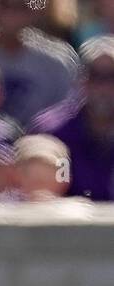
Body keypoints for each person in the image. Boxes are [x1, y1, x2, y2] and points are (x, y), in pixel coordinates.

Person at [30, 37, 114, 201]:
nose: (105, 87)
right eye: (96, 76)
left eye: (112, 77)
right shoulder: (53, 130)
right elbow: (41, 187)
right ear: (81, 80)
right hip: (66, 221)